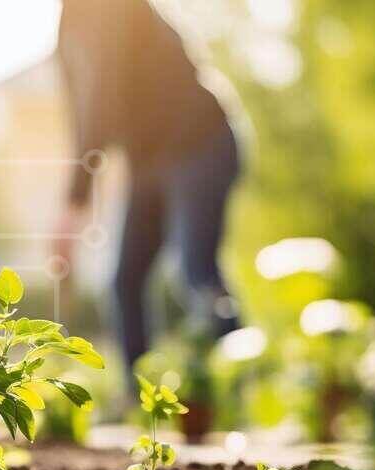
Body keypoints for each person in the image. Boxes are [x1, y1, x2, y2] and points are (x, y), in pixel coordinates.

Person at [53, 0, 245, 380]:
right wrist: (74, 198)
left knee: (196, 270)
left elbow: (102, 97)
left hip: (201, 142)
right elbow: (81, 114)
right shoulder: (67, 26)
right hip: (146, 161)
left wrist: (75, 203)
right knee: (125, 280)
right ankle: (139, 393)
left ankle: (239, 382)